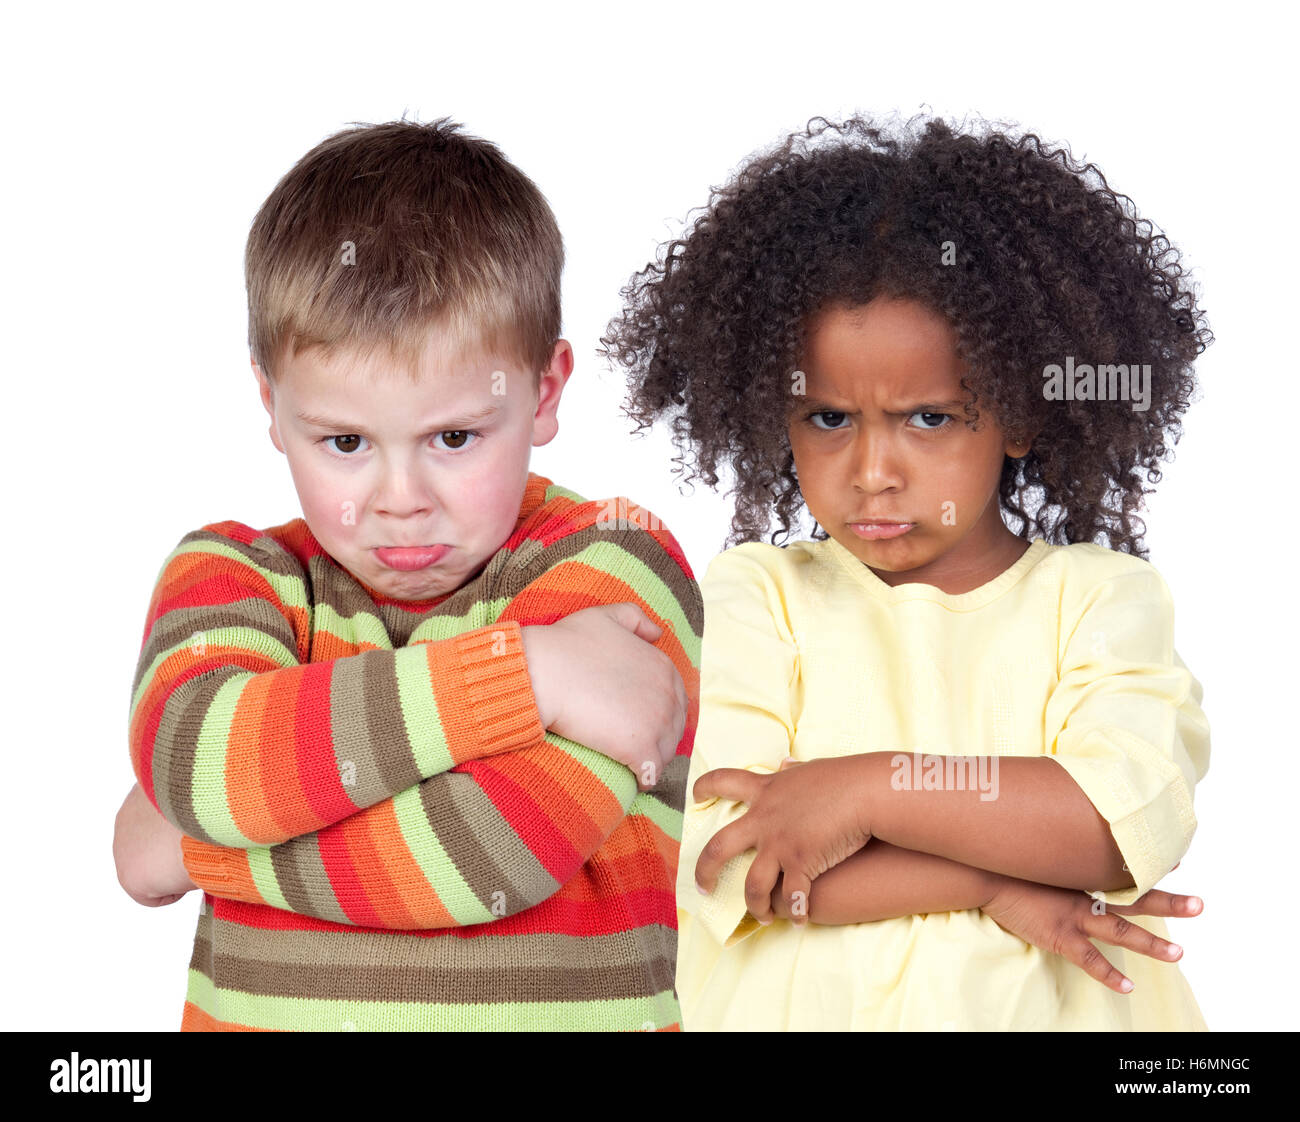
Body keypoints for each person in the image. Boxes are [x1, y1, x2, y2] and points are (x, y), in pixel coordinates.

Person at [600, 113, 1211, 1031]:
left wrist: (868, 789)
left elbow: (1111, 824)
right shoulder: (756, 601)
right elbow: (735, 866)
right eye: (831, 419)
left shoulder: (1096, 602)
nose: (872, 471)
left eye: (929, 418)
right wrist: (995, 879)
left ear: (1019, 415)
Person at [113, 117, 703, 1031]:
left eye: (454, 437)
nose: (400, 500)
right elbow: (197, 759)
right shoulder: (235, 573)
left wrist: (203, 845)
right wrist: (528, 674)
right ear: (272, 405)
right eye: (345, 442)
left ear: (544, 392)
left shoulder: (614, 562)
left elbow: (485, 853)